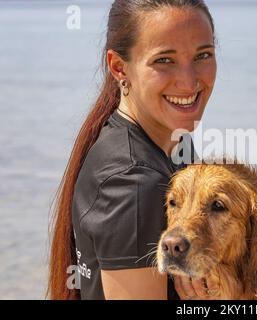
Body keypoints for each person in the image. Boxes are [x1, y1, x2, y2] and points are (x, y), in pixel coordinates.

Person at [48, 0, 217, 300]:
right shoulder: (134, 184)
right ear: (118, 67)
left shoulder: (175, 142)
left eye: (202, 55)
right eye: (164, 60)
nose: (190, 81)